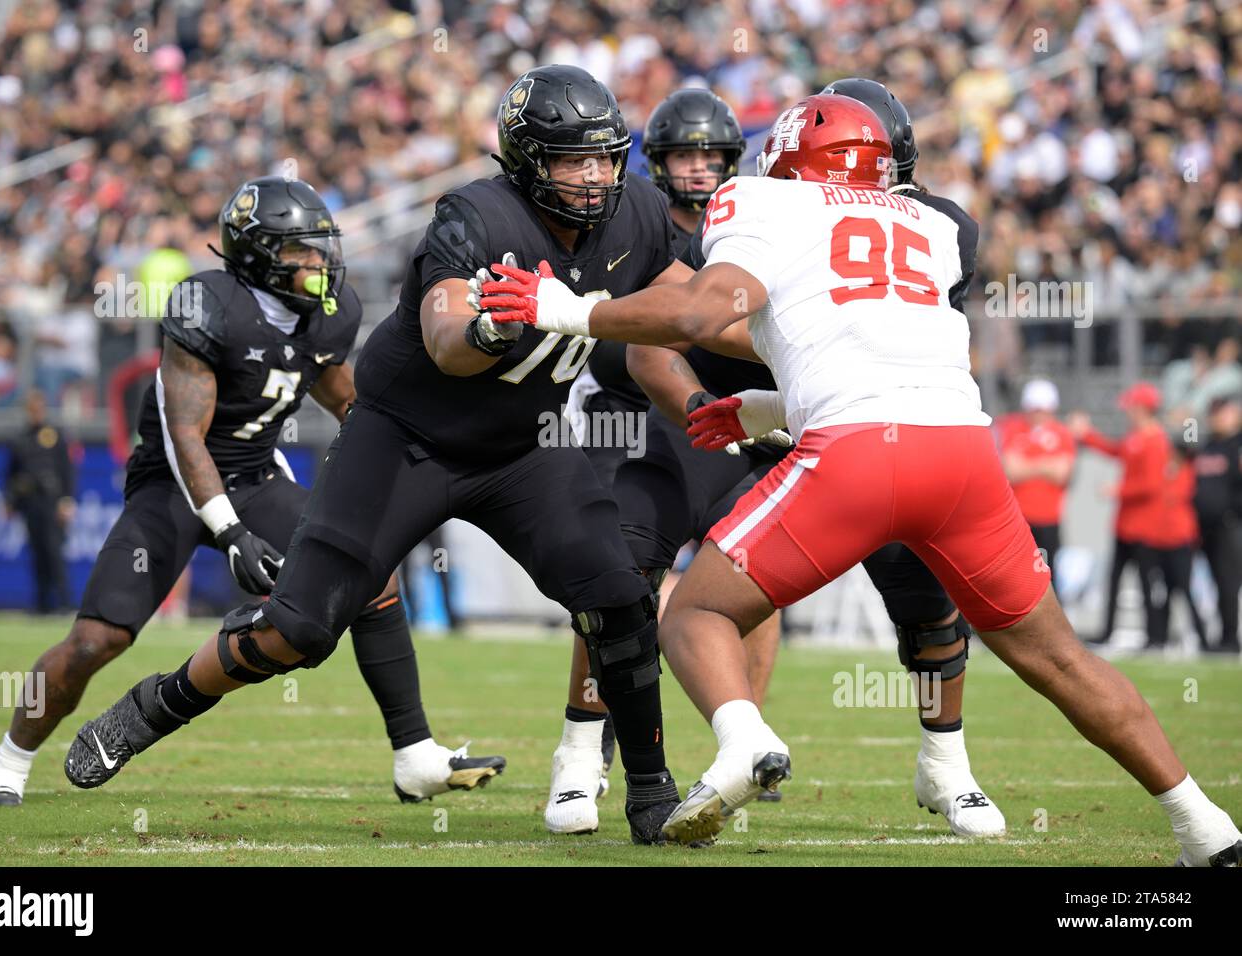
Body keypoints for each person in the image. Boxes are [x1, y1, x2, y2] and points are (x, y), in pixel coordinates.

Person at [477, 93, 1242, 864]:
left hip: (858, 455)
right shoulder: (931, 225)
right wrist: (767, 408)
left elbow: (704, 314)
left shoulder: (763, 200)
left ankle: (743, 741)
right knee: (1060, 658)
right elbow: (878, 345)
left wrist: (568, 309)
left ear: (791, 158)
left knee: (692, 617)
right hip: (963, 455)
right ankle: (1203, 824)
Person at [59, 66, 730, 844]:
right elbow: (446, 337)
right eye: (570, 161)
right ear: (525, 161)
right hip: (405, 438)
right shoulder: (475, 215)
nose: (592, 178)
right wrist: (489, 328)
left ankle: (650, 789)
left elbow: (688, 305)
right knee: (300, 631)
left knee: (617, 595)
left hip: (523, 445)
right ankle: (161, 701)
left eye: (604, 158)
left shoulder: (639, 213)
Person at [0, 177, 502, 807]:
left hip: (256, 477)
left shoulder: (330, 314)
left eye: (321, 248)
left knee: (374, 578)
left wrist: (410, 460)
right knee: (97, 639)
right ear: (256, 254)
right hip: (172, 488)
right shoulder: (207, 302)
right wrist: (228, 530)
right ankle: (8, 762)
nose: (320, 263)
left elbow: (350, 402)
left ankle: (414, 754)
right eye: (301, 251)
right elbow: (183, 435)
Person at [596, 79, 1005, 838]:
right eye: (682, 156)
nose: (697, 170)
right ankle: (592, 751)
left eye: (707, 155)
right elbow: (684, 328)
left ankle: (945, 763)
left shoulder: (937, 226)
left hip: (851, 418)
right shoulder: (755, 205)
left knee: (924, 592)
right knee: (630, 567)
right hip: (733, 416)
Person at [1069, 383, 1168, 645]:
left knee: (1148, 582)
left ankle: (1156, 636)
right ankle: (1108, 631)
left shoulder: (1155, 440)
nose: (1128, 413)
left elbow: (1152, 485)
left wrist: (1118, 490)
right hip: (1126, 524)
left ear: (1143, 409)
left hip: (1145, 527)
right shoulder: (1135, 437)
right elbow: (1114, 450)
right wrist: (1087, 435)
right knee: (1114, 580)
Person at [5, 389, 76, 614]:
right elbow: (13, 474)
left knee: (54, 552)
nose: (35, 413)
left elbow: (67, 470)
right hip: (30, 503)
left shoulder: (55, 435)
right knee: (37, 553)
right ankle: (42, 603)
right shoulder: (20, 439)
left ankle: (64, 602)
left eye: (38, 408)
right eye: (31, 409)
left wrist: (66, 500)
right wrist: (10, 502)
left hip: (52, 502)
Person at [998, 378, 1075, 565]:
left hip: (1048, 519)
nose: (1039, 415)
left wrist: (1028, 465)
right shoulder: (1013, 427)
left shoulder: (1062, 433)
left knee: (1046, 574)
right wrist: (1046, 465)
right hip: (1017, 519)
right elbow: (1011, 471)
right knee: (1016, 575)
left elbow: (1061, 474)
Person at [1192, 394, 1242, 654]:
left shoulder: (1237, 445)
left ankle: (1230, 639)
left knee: (1229, 582)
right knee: (1213, 583)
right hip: (1206, 527)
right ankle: (1218, 637)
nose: (1217, 418)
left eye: (1223, 412)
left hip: (1230, 525)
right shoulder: (1209, 445)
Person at [1146, 441, 1206, 650]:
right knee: (1164, 592)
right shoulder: (1166, 473)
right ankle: (1159, 638)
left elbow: (1174, 496)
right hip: (1161, 541)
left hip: (1180, 542)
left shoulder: (1187, 474)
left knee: (1185, 590)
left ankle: (1202, 637)